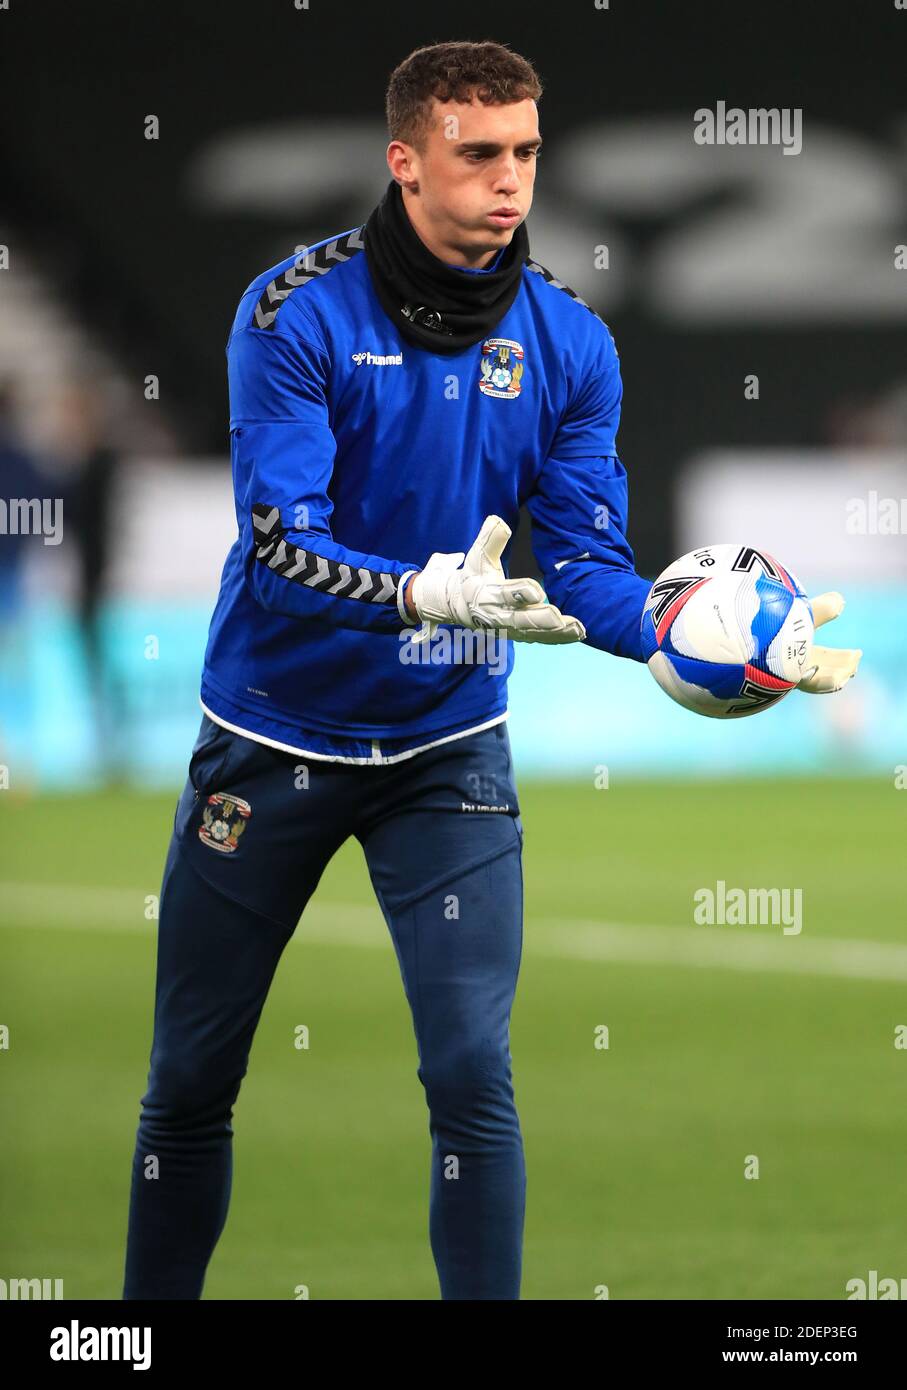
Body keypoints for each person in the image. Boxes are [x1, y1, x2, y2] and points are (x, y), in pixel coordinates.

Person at [123, 39, 860, 1300]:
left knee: (472, 1076)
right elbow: (277, 544)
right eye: (478, 154)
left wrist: (704, 643)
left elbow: (581, 562)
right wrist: (417, 590)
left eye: (524, 151)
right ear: (405, 162)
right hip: (270, 736)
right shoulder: (292, 310)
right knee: (191, 1081)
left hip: (445, 753)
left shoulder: (571, 343)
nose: (509, 180)